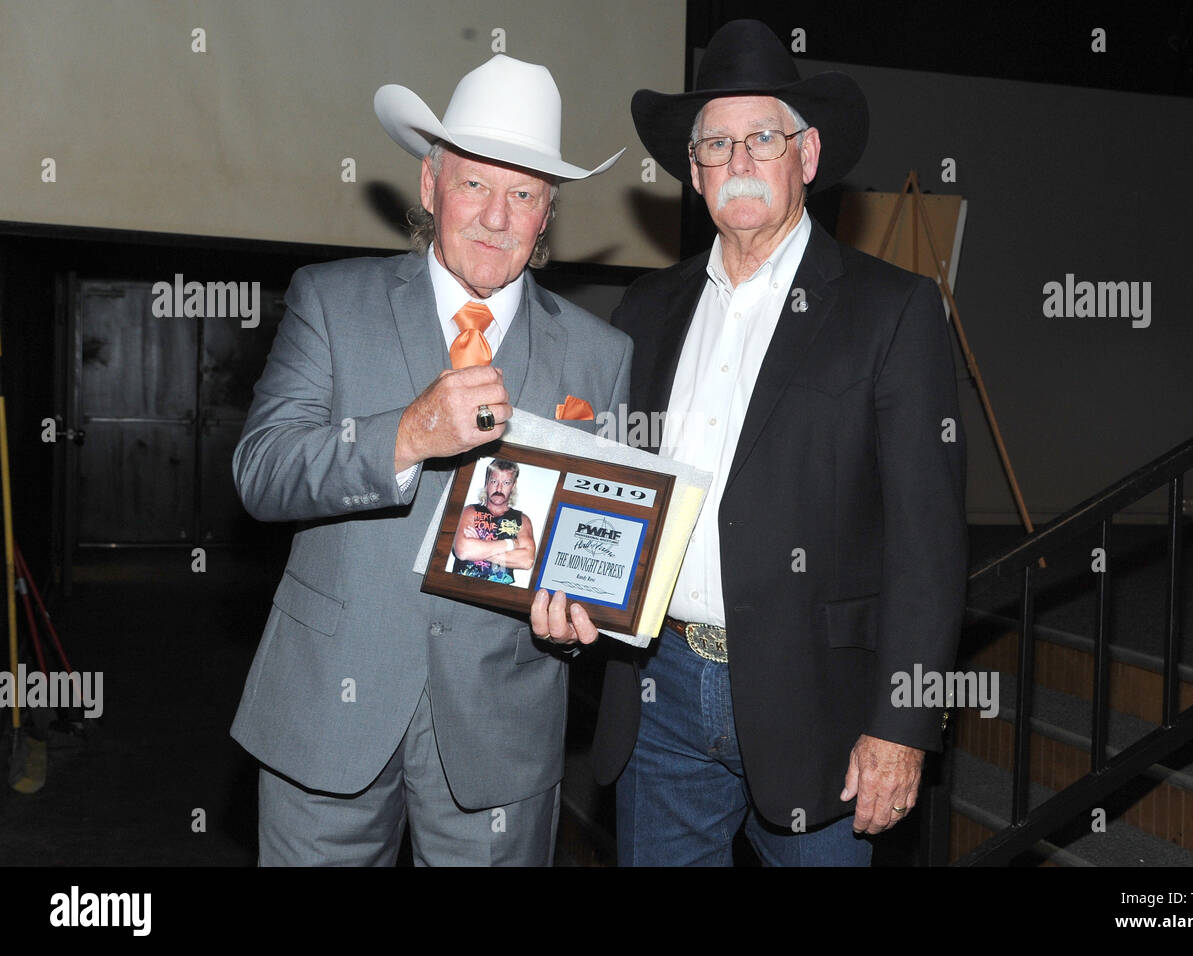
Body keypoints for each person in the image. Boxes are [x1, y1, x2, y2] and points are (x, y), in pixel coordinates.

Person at [582, 20, 969, 866]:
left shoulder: (893, 311)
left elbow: (928, 544)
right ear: (692, 171)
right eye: (717, 143)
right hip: (660, 692)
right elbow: (615, 490)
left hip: (822, 711)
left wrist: (902, 727)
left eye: (765, 136)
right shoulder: (645, 312)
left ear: (809, 155)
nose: (741, 159)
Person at [230, 53, 629, 866]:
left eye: (523, 194)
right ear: (429, 185)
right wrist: (406, 434)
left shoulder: (601, 355)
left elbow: (597, 542)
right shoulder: (330, 301)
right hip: (326, 716)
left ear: (548, 213)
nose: (494, 216)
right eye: (475, 184)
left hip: (500, 736)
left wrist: (579, 619)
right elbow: (261, 472)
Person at [452, 458, 536, 584]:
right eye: (494, 481)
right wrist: (510, 544)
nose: (499, 488)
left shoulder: (522, 520)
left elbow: (527, 561)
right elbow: (464, 551)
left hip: (499, 591)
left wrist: (479, 548)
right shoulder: (470, 511)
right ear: (487, 482)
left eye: (506, 482)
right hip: (461, 585)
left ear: (513, 485)